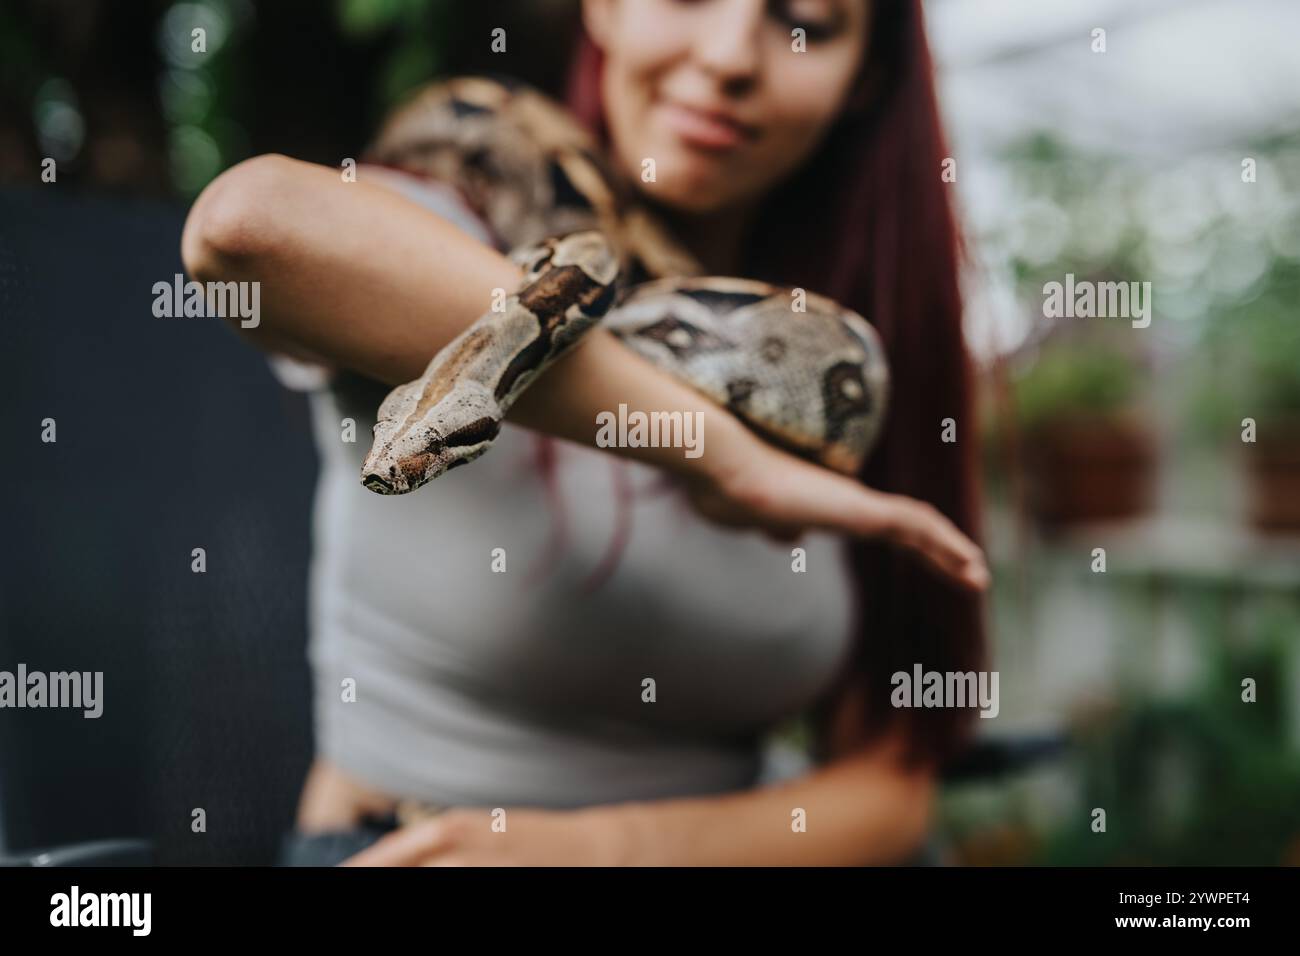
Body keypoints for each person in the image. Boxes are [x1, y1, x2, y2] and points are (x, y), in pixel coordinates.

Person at [181, 0, 989, 866]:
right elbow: (243, 226)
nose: (727, 57)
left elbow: (893, 783)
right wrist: (718, 453)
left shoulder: (836, 332)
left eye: (806, 22)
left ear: (863, 78)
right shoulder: (449, 231)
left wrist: (602, 851)